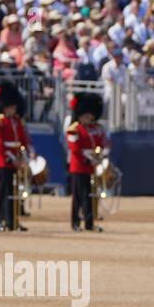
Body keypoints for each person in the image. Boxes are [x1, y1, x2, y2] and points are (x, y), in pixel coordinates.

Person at [0, 81, 30, 232]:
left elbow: (23, 140)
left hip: (15, 160)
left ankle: (12, 220)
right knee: (0, 192)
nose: (13, 109)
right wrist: (12, 158)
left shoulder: (16, 121)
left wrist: (23, 156)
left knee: (13, 193)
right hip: (3, 161)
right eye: (11, 106)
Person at [65, 90, 108, 232]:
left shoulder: (96, 128)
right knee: (78, 196)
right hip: (79, 166)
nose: (90, 116)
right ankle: (75, 222)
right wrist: (89, 160)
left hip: (92, 166)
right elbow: (75, 149)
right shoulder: (74, 129)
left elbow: (103, 143)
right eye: (87, 114)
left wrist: (100, 155)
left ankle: (89, 223)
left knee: (90, 195)